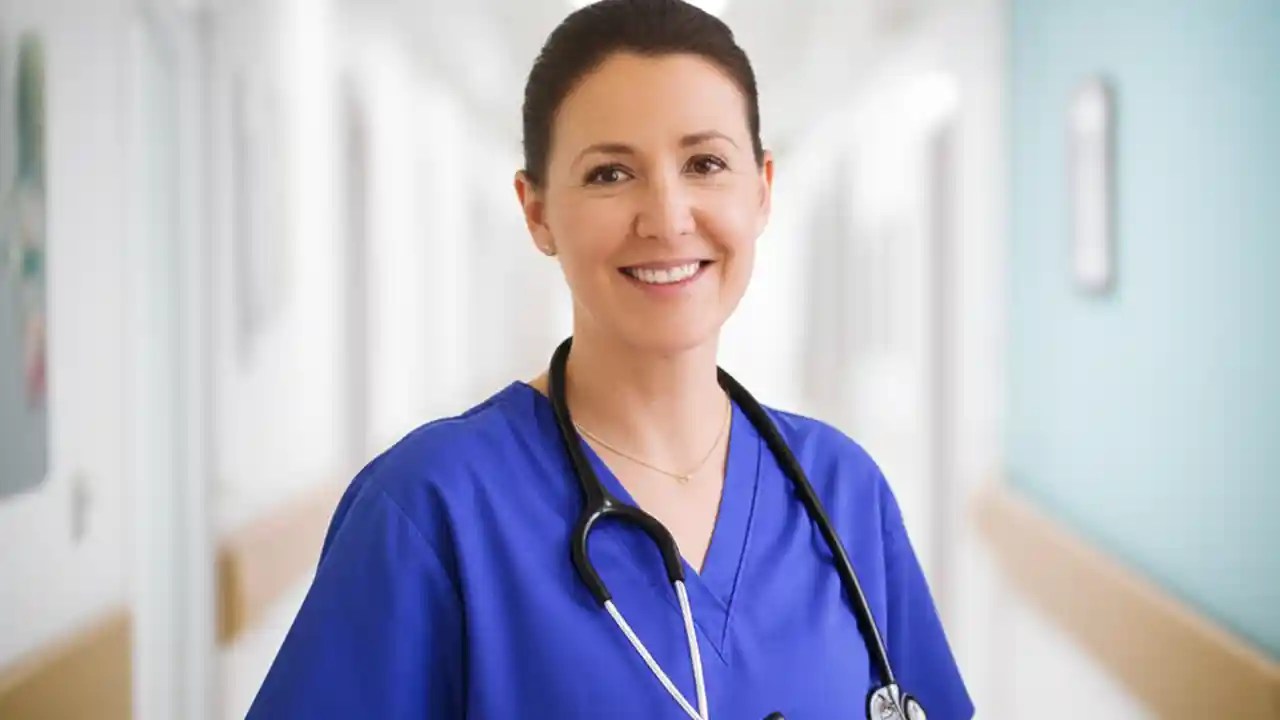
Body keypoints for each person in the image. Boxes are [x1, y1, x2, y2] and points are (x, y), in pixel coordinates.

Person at [248, 1, 974, 717]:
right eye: (609, 174)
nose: (666, 217)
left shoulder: (843, 490)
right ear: (536, 212)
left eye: (705, 163)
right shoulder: (432, 508)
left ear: (762, 191)